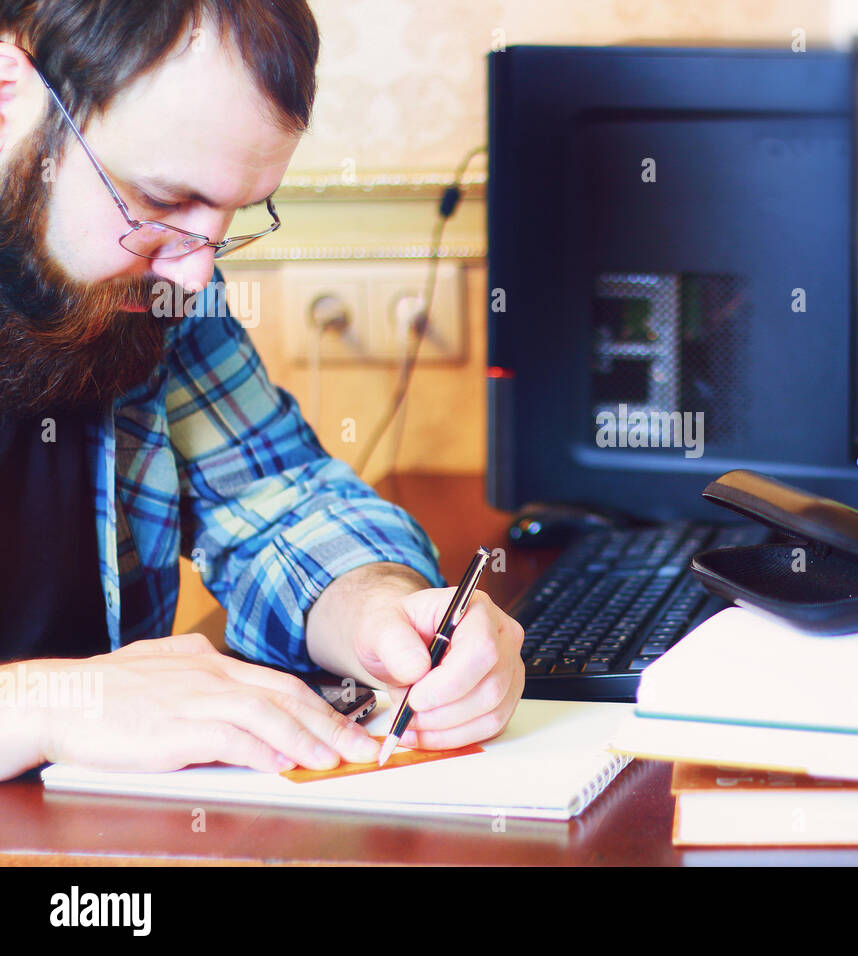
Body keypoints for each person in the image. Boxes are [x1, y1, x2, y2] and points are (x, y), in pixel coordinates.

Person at [0, 0, 524, 781]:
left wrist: (383, 613)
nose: (198, 273)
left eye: (231, 216)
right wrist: (50, 704)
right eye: (160, 201)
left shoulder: (155, 289)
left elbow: (279, 499)